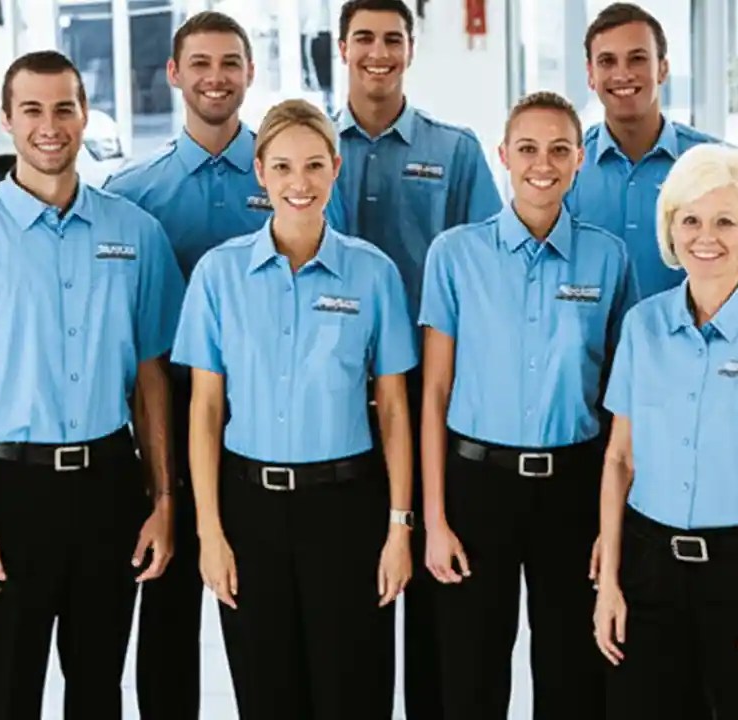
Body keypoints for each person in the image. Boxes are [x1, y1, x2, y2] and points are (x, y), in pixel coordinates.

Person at [0, 50, 182, 719]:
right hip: (6, 492)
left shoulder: (136, 234)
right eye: (32, 110)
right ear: (6, 121)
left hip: (108, 490)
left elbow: (151, 379)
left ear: (85, 115)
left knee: (98, 689)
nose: (50, 125)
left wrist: (161, 501)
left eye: (64, 107)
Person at [173, 98, 416, 720]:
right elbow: (204, 411)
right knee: (267, 693)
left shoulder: (373, 274)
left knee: (352, 691)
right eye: (282, 167)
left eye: (313, 166)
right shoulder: (218, 275)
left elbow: (393, 410)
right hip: (249, 510)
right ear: (260, 172)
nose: (299, 183)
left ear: (336, 168)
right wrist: (210, 533)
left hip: (347, 509)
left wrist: (398, 528)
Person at [592, 142, 738, 718]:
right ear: (671, 230)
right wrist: (609, 587)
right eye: (690, 219)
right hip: (649, 571)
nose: (706, 236)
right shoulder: (641, 325)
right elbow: (620, 460)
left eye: (725, 220)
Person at [419, 90, 636, 719]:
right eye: (529, 149)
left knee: (572, 674)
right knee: (471, 671)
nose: (543, 163)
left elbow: (624, 403)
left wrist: (610, 523)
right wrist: (434, 521)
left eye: (560, 150)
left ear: (578, 163)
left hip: (573, 488)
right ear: (503, 158)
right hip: (475, 487)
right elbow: (434, 394)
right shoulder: (455, 255)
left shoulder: (607, 258)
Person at [326, 3, 502, 714]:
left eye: (392, 39)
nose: (378, 52)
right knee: (349, 606)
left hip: (429, 410)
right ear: (341, 48)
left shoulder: (454, 152)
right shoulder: (307, 145)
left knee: (438, 614)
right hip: (335, 415)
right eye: (364, 38)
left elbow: (486, 277)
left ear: (411, 48)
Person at [102, 11, 268, 718]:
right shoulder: (132, 194)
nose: (215, 77)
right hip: (169, 417)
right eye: (199, 63)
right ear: (173, 74)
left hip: (266, 425)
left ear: (249, 73)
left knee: (261, 610)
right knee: (167, 612)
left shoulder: (289, 168)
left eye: (229, 62)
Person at [566, 2, 720, 298]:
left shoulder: (714, 163)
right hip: (593, 343)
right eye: (607, 62)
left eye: (637, 59)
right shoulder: (567, 166)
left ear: (662, 68)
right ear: (590, 74)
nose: (622, 75)